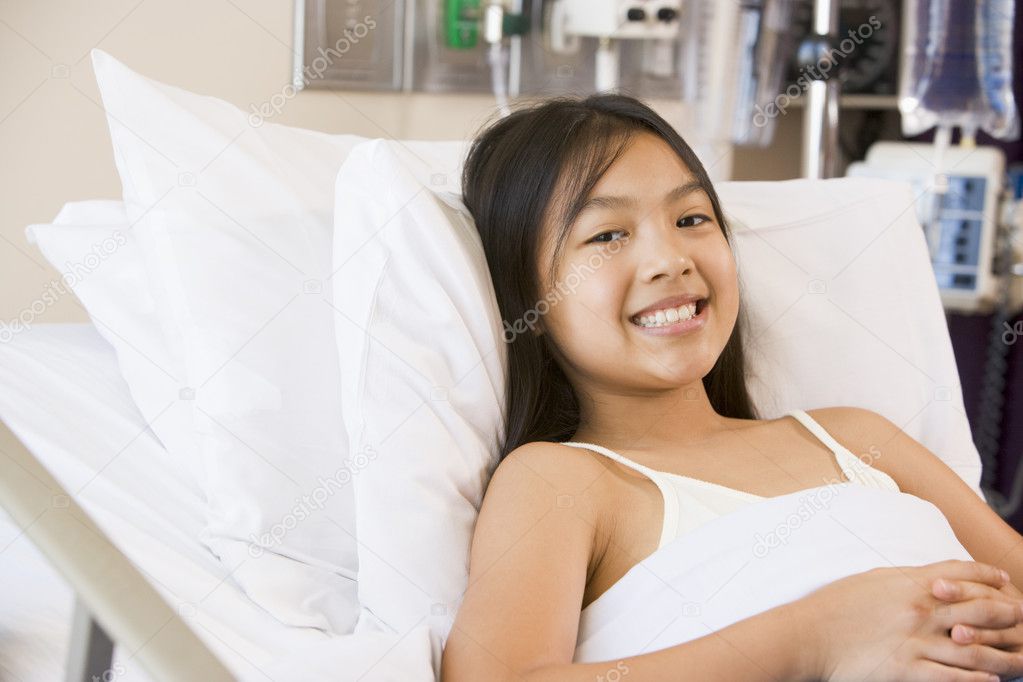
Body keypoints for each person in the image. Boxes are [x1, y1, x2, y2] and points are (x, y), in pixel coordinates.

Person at [440, 93, 1023, 681]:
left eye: (691, 220)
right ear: (530, 302)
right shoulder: (560, 481)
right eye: (607, 235)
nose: (669, 259)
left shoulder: (854, 439)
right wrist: (816, 635)